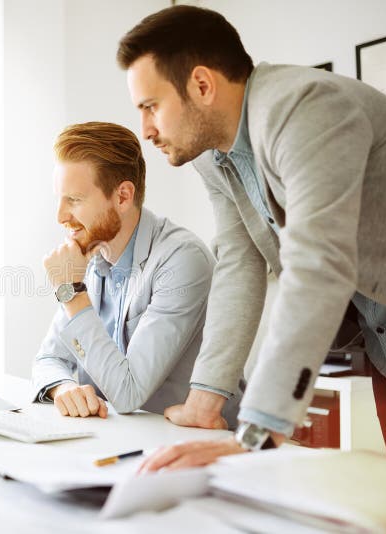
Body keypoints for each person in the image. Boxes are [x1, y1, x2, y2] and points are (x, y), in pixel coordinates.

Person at [117, 5, 386, 468]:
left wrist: (260, 429)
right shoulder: (215, 156)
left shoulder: (304, 107)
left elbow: (317, 263)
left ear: (202, 85)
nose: (145, 129)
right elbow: (238, 264)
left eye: (151, 107)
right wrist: (205, 398)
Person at [32, 121, 241, 424]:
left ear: (123, 196)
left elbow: (128, 394)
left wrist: (72, 291)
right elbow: (48, 359)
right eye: (60, 200)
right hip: (123, 439)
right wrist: (63, 387)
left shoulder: (181, 259)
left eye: (74, 200)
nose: (61, 216)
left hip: (195, 441)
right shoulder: (90, 255)